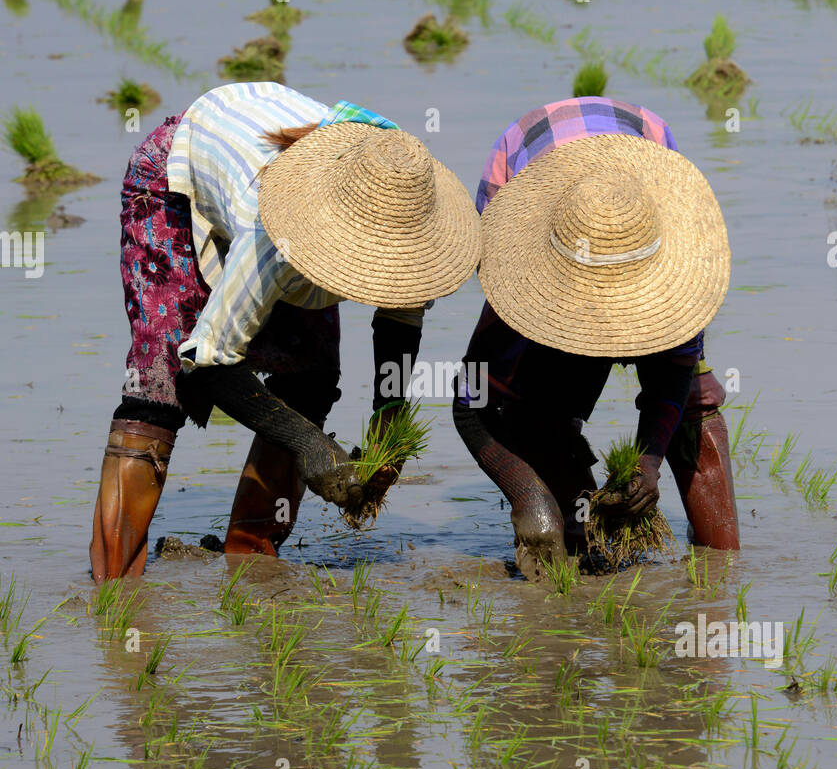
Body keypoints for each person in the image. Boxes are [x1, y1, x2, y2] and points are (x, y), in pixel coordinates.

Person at [90, 82, 480, 581]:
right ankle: (115, 585)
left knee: (312, 375)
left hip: (273, 170)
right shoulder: (274, 235)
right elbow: (207, 362)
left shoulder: (407, 209)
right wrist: (310, 446)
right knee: (161, 386)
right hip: (175, 178)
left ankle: (252, 558)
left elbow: (400, 320)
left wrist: (390, 413)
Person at [452, 96, 739, 576]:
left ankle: (721, 570)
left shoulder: (674, 277)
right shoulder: (522, 276)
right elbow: (471, 402)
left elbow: (670, 378)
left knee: (693, 395)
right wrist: (529, 499)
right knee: (535, 410)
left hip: (642, 179)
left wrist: (647, 463)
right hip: (535, 198)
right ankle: (586, 537)